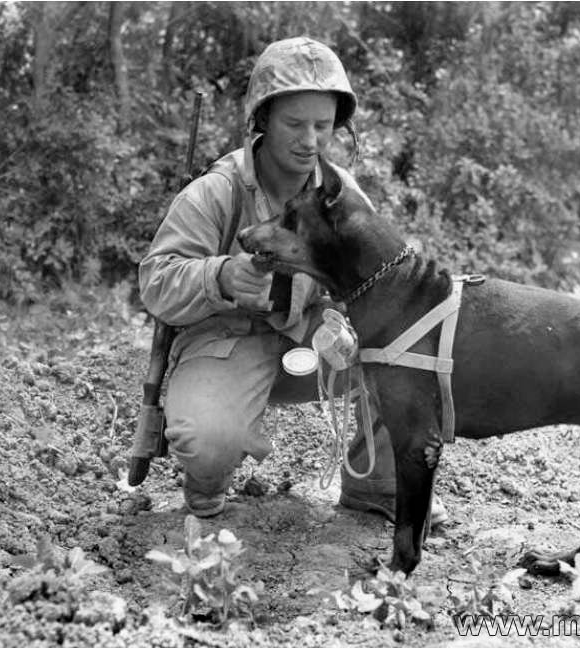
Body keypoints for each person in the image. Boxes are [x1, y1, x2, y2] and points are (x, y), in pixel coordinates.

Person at [138, 37, 447, 525]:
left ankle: (381, 483)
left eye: (323, 126)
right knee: (208, 440)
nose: (310, 141)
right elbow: (156, 282)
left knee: (405, 351)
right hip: (227, 343)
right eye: (295, 124)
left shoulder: (340, 194)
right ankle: (207, 481)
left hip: (311, 339)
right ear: (262, 120)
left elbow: (381, 281)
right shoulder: (216, 193)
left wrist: (355, 319)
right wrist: (220, 276)